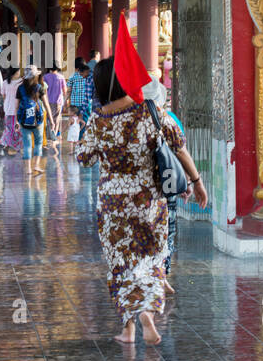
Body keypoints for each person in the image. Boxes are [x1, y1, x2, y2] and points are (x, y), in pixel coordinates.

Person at [77, 55, 208, 345]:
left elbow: (84, 158)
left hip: (113, 205)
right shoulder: (151, 110)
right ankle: (147, 312)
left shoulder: (98, 121)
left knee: (121, 262)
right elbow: (179, 148)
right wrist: (197, 182)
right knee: (151, 257)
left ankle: (129, 327)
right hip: (149, 201)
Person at [142, 73, 187, 295]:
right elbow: (180, 152)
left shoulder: (132, 122)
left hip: (141, 189)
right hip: (167, 182)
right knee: (167, 231)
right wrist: (188, 181)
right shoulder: (169, 119)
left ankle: (147, 275)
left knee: (143, 232)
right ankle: (162, 275)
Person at [16, 67, 51, 175]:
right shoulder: (39, 87)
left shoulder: (20, 88)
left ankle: (28, 169)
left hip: (24, 120)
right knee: (38, 143)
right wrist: (51, 119)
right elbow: (46, 104)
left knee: (27, 145)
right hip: (38, 120)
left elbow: (16, 106)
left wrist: (17, 120)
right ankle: (36, 165)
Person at [66, 57, 95, 141]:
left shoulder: (72, 76)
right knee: (84, 122)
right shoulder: (89, 76)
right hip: (86, 104)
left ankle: (76, 140)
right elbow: (88, 96)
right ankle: (81, 140)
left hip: (75, 104)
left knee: (74, 123)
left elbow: (69, 90)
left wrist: (65, 101)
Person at [42, 65, 66, 152]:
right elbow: (65, 90)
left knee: (48, 118)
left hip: (47, 101)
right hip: (58, 101)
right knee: (56, 119)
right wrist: (66, 101)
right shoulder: (61, 77)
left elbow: (42, 89)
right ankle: (54, 136)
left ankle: (48, 136)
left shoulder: (45, 77)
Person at [0, 67, 22, 155]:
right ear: (15, 73)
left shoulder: (5, 82)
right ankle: (11, 144)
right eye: (18, 72)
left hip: (8, 107)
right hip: (16, 108)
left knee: (9, 128)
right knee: (16, 128)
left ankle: (7, 143)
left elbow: (3, 96)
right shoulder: (20, 82)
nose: (19, 73)